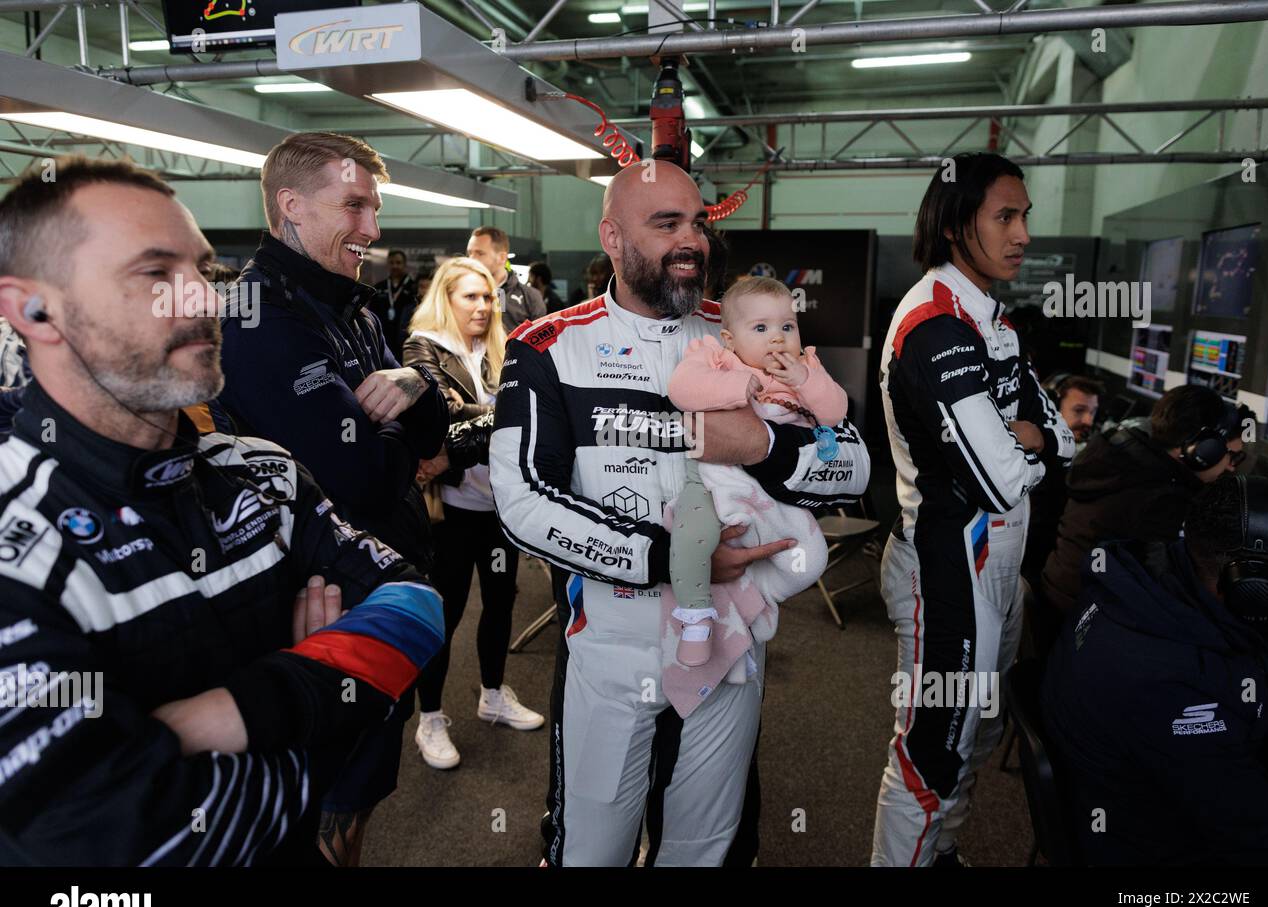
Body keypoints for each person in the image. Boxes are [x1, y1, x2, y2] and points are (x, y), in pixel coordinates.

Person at [0, 156, 444, 865]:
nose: (207, 302)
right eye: (155, 275)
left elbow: (417, 607)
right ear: (33, 310)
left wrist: (230, 716)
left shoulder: (261, 473)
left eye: (203, 271)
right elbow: (127, 843)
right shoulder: (16, 541)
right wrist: (320, 715)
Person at [490, 159, 870, 866]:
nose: (691, 239)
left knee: (703, 852)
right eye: (666, 224)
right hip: (610, 645)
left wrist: (761, 444)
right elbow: (521, 502)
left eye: (697, 221)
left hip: (732, 646)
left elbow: (852, 464)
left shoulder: (744, 329)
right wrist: (670, 557)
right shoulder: (546, 346)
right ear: (611, 235)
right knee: (589, 853)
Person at [217, 132, 451, 866]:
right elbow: (358, 479)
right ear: (290, 207)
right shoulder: (257, 317)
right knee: (325, 808)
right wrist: (410, 443)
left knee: (363, 791)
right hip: (317, 612)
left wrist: (414, 391)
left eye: (375, 208)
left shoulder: (353, 311)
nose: (373, 230)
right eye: (354, 206)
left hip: (378, 592)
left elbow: (432, 428)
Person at [873, 152, 1076, 867]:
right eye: (1006, 216)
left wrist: (1037, 438)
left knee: (973, 741)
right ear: (959, 224)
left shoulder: (994, 321)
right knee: (933, 751)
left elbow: (1065, 438)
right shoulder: (934, 323)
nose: (1023, 234)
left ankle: (936, 855)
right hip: (946, 571)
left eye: (1026, 217)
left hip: (998, 569)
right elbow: (1000, 480)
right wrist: (1031, 442)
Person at [1042, 475, 1268, 865]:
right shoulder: (1167, 687)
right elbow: (1265, 840)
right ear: (1252, 583)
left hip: (1153, 792)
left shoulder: (1145, 580)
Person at [403, 257, 544, 769]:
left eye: (488, 297)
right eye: (471, 297)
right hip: (454, 509)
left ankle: (492, 693)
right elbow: (441, 414)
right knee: (445, 613)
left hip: (501, 506)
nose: (484, 306)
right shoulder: (424, 347)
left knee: (501, 602)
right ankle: (431, 718)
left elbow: (516, 410)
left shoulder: (503, 349)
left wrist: (492, 418)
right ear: (447, 298)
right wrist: (510, 414)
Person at [665, 275, 842, 672]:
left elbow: (834, 412)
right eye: (760, 328)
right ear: (729, 339)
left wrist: (806, 381)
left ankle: (753, 598)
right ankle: (695, 620)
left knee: (810, 560)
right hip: (713, 479)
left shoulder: (804, 369)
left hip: (772, 490)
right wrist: (735, 384)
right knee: (693, 537)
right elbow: (681, 388)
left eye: (787, 327)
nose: (777, 339)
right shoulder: (714, 357)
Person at [1039, 386, 1252, 629]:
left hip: (1059, 599)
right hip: (1085, 620)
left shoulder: (1119, 456)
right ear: (1203, 450)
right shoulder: (1161, 500)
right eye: (1233, 457)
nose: (1232, 468)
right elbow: (1174, 592)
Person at [1022, 375, 1102, 586]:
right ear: (1052, 408)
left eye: (1092, 412)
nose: (1088, 421)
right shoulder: (1039, 466)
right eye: (1079, 411)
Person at [466, 226, 545, 333]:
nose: (471, 259)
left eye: (480, 253)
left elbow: (540, 342)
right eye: (470, 253)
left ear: (502, 258)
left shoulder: (530, 297)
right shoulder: (461, 295)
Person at [376, 248, 418, 359]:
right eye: (392, 263)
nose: (395, 266)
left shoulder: (414, 287)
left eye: (398, 263)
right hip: (384, 339)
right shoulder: (379, 287)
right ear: (387, 264)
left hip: (406, 338)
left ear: (404, 264)